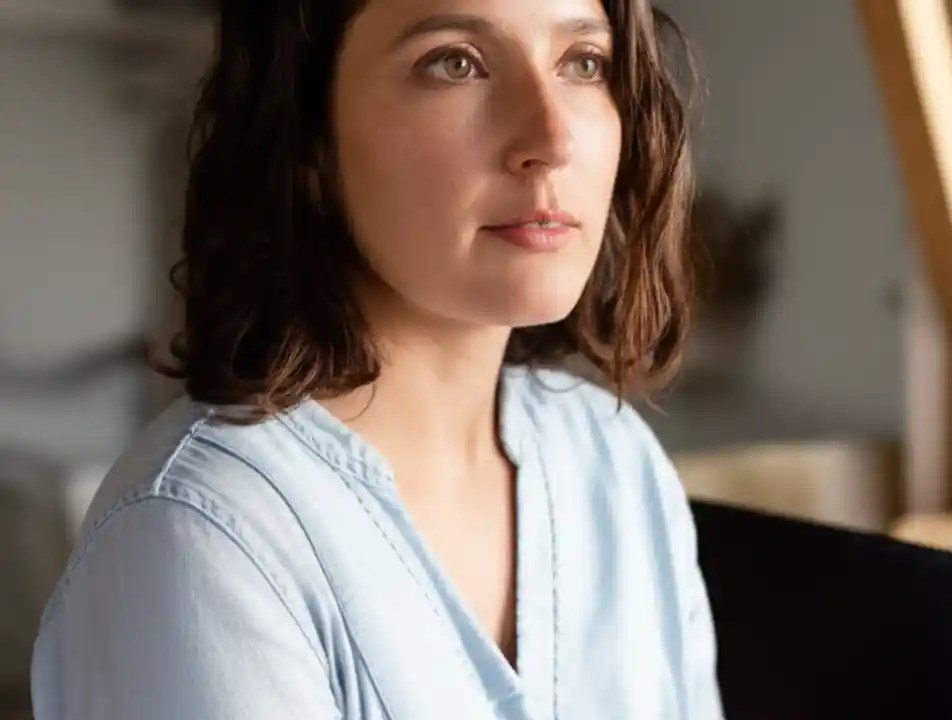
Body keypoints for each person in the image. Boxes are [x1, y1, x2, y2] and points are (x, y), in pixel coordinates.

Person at [30, 0, 721, 717]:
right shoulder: (197, 539)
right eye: (454, 63)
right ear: (308, 141)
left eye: (584, 63)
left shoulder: (613, 462)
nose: (551, 138)